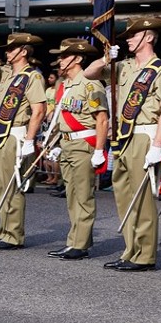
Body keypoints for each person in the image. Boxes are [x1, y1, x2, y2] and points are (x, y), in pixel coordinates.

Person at [84, 17, 161, 271]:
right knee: (123, 195)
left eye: (133, 35)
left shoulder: (160, 70)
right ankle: (130, 250)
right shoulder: (122, 66)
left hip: (144, 136)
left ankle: (144, 255)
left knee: (142, 197)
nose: (128, 40)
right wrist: (105, 59)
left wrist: (157, 145)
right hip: (123, 137)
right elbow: (88, 74)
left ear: (147, 36)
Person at [0, 33, 47, 250]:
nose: (6, 52)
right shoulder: (7, 73)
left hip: (15, 134)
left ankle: (13, 235)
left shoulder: (32, 77)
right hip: (0, 135)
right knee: (0, 185)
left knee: (12, 186)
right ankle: (4, 231)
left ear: (23, 51)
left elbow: (39, 110)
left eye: (11, 49)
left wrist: (30, 140)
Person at [47, 38, 108, 260]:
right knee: (72, 195)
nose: (60, 60)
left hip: (84, 145)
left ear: (78, 58)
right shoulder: (67, 86)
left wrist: (100, 151)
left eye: (64, 56)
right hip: (68, 144)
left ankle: (79, 245)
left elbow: (101, 119)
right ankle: (74, 240)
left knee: (83, 196)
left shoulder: (90, 83)